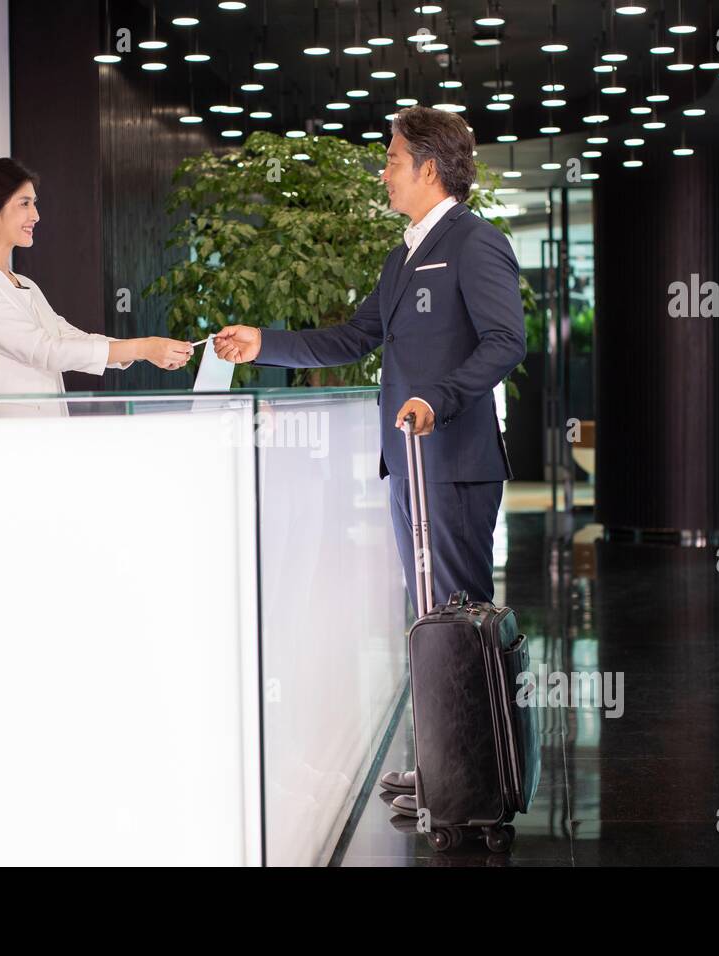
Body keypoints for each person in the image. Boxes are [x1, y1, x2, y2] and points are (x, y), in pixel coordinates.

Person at [213, 106, 527, 817]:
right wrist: (264, 344)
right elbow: (353, 338)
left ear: (428, 168)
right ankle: (444, 769)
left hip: (451, 462)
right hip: (408, 465)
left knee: (457, 618)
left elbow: (506, 341)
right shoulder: (402, 256)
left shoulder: (475, 244)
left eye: (390, 160)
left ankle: (475, 787)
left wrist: (436, 400)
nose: (381, 172)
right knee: (428, 621)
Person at [0, 158, 192, 407]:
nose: (35, 215)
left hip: (48, 431)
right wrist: (142, 348)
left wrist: (145, 350)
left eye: (34, 203)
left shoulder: (24, 283)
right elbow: (45, 351)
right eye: (24, 204)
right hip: (7, 437)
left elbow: (70, 338)